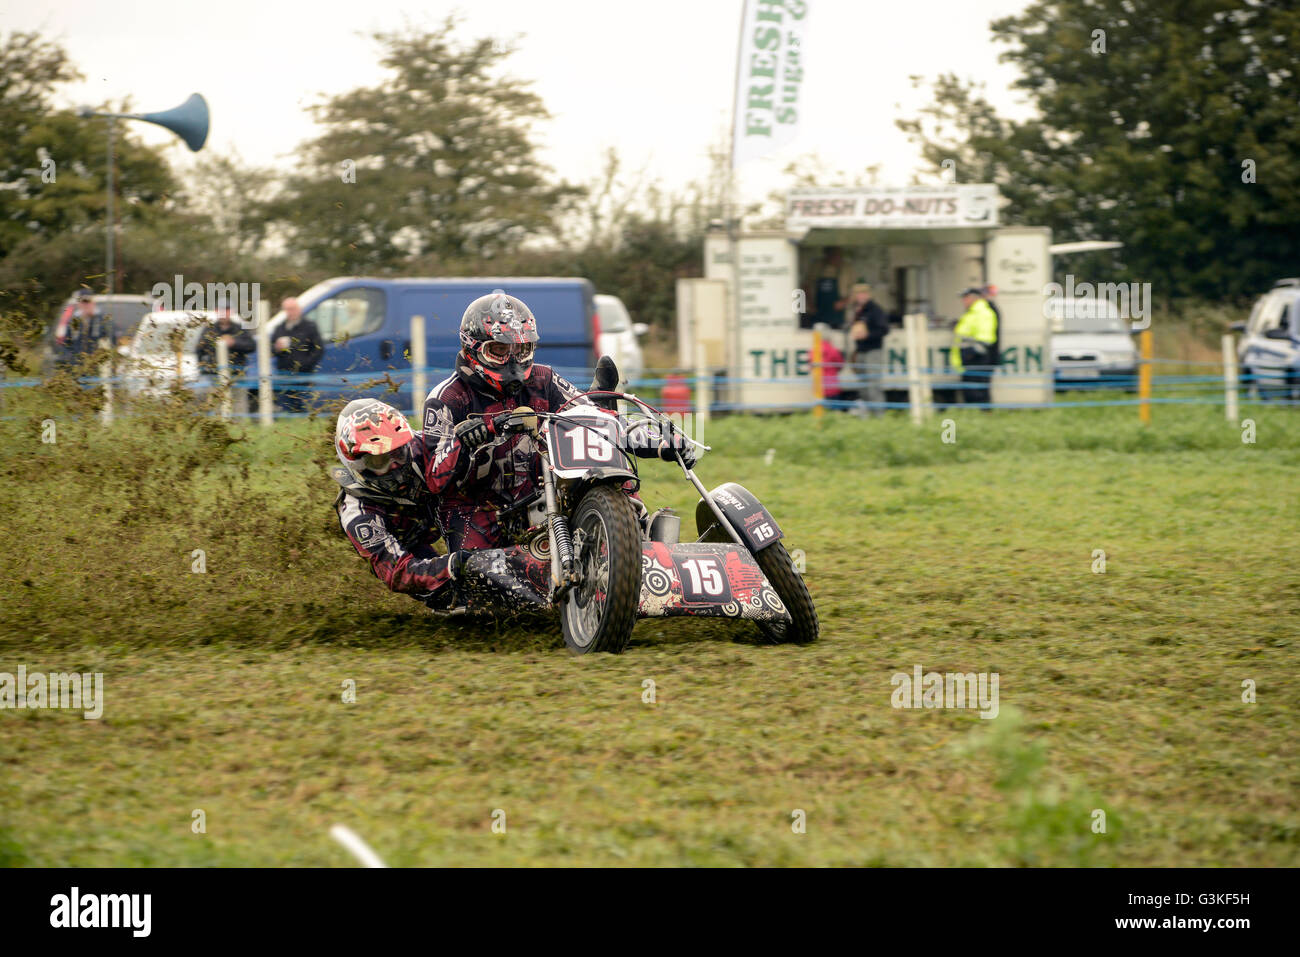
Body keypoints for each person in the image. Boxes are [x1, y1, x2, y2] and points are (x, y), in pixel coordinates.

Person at [420, 291, 695, 610]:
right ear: (472, 348)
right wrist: (461, 441)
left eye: (521, 349)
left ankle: (637, 538)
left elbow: (594, 418)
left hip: (539, 495)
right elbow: (432, 480)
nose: (512, 360)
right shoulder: (446, 399)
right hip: (477, 507)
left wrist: (658, 442)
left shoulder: (544, 379)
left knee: (600, 462)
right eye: (499, 350)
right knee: (477, 596)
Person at [270, 297, 324, 413]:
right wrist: (277, 348)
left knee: (304, 407)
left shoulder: (310, 326)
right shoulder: (279, 328)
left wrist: (307, 364)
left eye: (293, 309)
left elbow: (319, 349)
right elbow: (271, 350)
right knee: (286, 407)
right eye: (288, 309)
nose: (291, 312)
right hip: (284, 375)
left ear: (299, 309)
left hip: (304, 375)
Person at [950, 287, 999, 407]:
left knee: (978, 391)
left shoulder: (982, 312)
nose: (963, 301)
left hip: (976, 358)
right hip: (969, 359)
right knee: (971, 391)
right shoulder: (972, 313)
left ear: (973, 299)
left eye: (965, 298)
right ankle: (975, 416)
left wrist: (971, 353)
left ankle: (983, 416)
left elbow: (985, 338)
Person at [847, 283, 890, 414]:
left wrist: (868, 335)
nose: (861, 296)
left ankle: (879, 416)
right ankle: (868, 414)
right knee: (863, 386)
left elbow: (884, 329)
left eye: (864, 293)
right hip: (861, 351)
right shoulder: (858, 311)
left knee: (873, 385)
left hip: (873, 351)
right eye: (858, 293)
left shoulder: (875, 310)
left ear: (869, 294)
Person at [197, 308, 255, 375]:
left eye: (226, 310)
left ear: (231, 311)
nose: (223, 313)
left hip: (237, 375)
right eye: (220, 310)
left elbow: (251, 346)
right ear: (216, 311)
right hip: (213, 375)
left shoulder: (240, 328)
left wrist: (234, 343)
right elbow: (199, 349)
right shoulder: (209, 329)